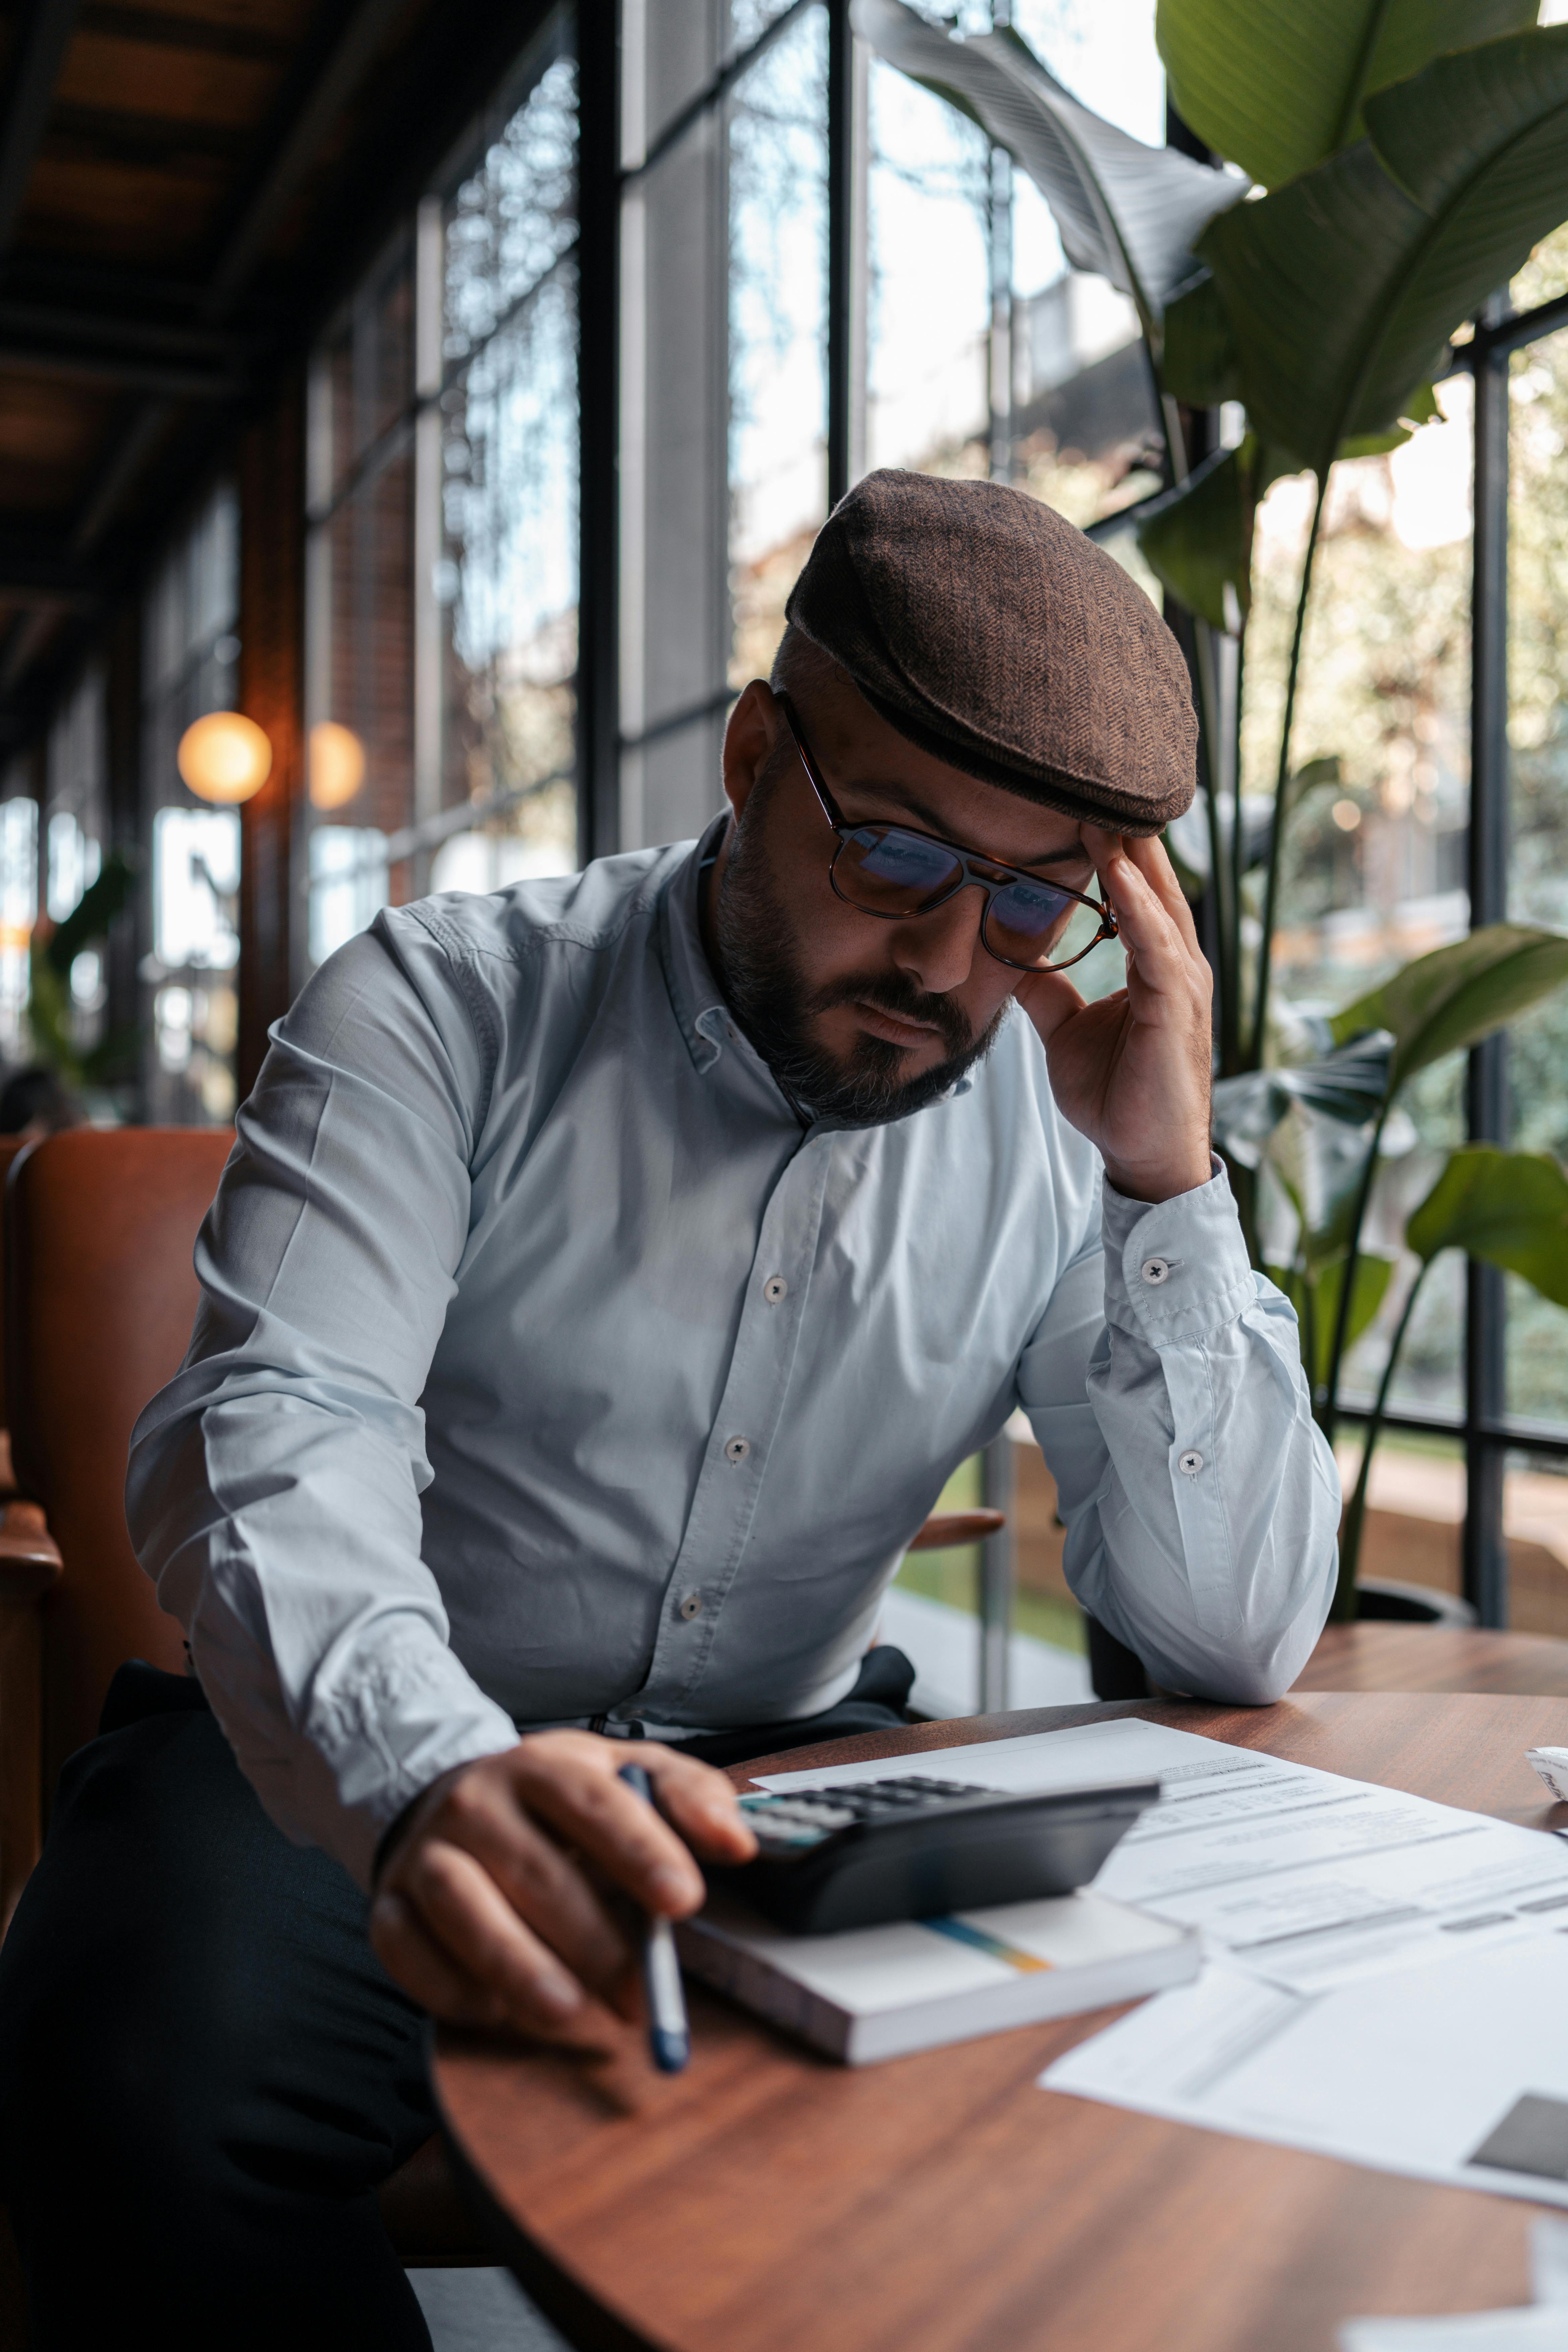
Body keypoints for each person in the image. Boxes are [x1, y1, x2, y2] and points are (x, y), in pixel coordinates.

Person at [0, 470, 1339, 2348]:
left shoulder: (1063, 1102)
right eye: (896, 857)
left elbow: (1232, 1628)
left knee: (1113, 2093)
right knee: (142, 2058)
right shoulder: (441, 1007)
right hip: (368, 1749)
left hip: (790, 1781)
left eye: (1034, 901)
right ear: (749, 756)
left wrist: (1167, 1191)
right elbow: (279, 1427)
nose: (950, 968)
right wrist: (436, 1782)